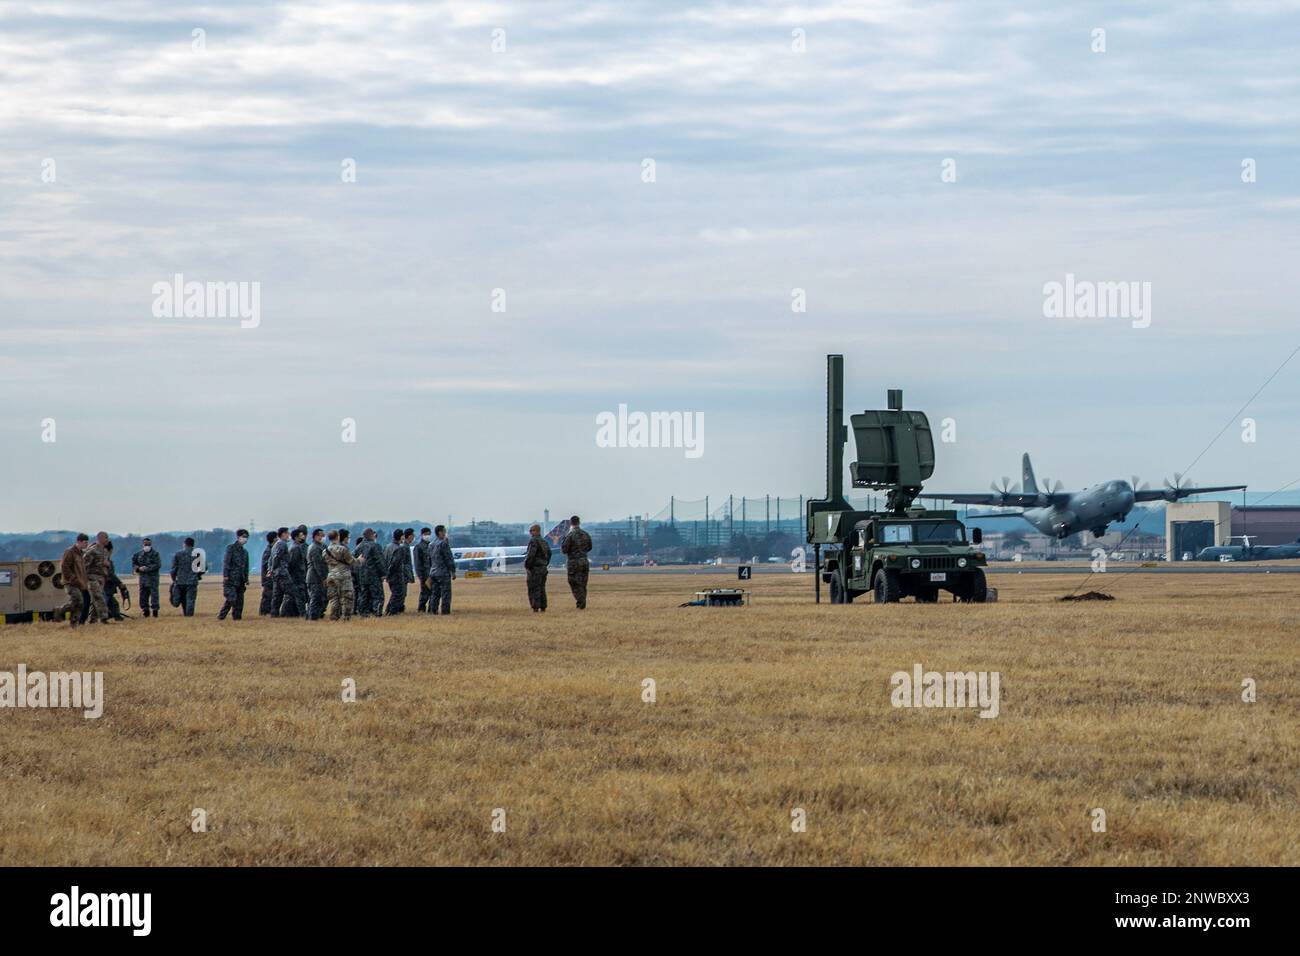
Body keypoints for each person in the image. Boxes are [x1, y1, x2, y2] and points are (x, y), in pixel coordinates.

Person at [560, 515, 593, 609]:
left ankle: (580, 601)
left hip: (573, 562)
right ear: (579, 522)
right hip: (584, 561)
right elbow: (590, 547)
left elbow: (564, 550)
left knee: (574, 582)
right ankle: (582, 601)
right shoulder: (586, 534)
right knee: (583, 583)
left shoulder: (570, 535)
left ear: (571, 523)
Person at [82, 531, 115, 624]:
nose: (107, 539)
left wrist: (107, 565)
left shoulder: (104, 551)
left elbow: (105, 563)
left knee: (96, 599)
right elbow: (84, 564)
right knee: (99, 598)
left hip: (101, 577)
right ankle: (104, 617)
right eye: (106, 537)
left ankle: (93, 619)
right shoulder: (92, 550)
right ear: (100, 538)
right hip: (92, 577)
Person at [324, 529, 356, 621]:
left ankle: (334, 617)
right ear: (337, 537)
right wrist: (359, 560)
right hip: (344, 576)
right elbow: (351, 561)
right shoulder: (342, 549)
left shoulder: (325, 551)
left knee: (334, 598)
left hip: (331, 576)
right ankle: (346, 618)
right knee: (347, 598)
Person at [219, 529, 251, 620]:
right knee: (231, 599)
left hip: (240, 580)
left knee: (239, 602)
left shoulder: (245, 552)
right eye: (243, 537)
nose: (245, 539)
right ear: (238, 537)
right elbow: (227, 562)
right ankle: (221, 616)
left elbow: (246, 567)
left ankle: (237, 618)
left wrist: (246, 578)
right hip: (231, 579)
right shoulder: (231, 548)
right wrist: (226, 575)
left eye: (246, 537)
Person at [60, 534, 90, 628]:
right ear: (79, 541)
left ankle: (74, 624)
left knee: (80, 604)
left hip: (80, 583)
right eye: (85, 542)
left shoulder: (81, 553)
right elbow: (64, 566)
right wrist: (73, 578)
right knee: (79, 601)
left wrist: (84, 583)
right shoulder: (70, 552)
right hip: (71, 583)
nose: (86, 544)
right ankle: (60, 610)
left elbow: (82, 570)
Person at [356, 528, 387, 617]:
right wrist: (383, 573)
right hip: (374, 575)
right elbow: (379, 560)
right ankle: (377, 612)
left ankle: (363, 612)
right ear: (371, 535)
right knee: (377, 595)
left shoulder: (359, 546)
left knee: (364, 595)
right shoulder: (375, 546)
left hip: (362, 575)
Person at [170, 536, 202, 617]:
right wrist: (198, 575)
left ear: (184, 544)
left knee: (183, 599)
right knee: (190, 600)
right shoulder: (198, 555)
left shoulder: (178, 554)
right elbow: (203, 568)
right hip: (192, 581)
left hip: (180, 580)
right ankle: (189, 616)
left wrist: (174, 579)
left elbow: (173, 569)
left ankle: (185, 612)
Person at [427, 524, 455, 615]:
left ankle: (433, 610)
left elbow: (429, 559)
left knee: (435, 593)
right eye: (444, 531)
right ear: (440, 532)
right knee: (446, 594)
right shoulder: (443, 543)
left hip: (433, 572)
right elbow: (448, 558)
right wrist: (453, 571)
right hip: (443, 572)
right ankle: (445, 611)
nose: (445, 533)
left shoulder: (431, 544)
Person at [524, 523, 552, 612]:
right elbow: (549, 553)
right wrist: (545, 563)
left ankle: (535, 607)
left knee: (533, 588)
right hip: (543, 568)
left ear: (536, 531)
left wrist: (527, 565)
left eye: (531, 531)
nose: (530, 533)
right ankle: (543, 606)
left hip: (535, 569)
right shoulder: (544, 541)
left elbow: (531, 555)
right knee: (542, 588)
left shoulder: (534, 541)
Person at [131, 537, 162, 618]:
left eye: (148, 544)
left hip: (153, 579)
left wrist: (147, 568)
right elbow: (134, 563)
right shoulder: (138, 554)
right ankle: (145, 610)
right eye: (145, 544)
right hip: (143, 579)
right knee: (143, 595)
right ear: (143, 544)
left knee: (154, 595)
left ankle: (155, 611)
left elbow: (158, 565)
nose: (147, 546)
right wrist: (138, 568)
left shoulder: (155, 554)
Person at [283, 525, 309, 618]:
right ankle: (302, 614)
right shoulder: (295, 548)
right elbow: (292, 564)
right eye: (301, 535)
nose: (303, 537)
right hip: (297, 577)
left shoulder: (296, 547)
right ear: (296, 537)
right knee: (299, 596)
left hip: (299, 576)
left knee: (297, 596)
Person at [384, 529, 409, 615]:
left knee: (394, 593)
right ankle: (392, 612)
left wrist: (386, 574)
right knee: (398, 594)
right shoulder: (399, 549)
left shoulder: (388, 546)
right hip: (396, 575)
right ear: (401, 537)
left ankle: (388, 610)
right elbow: (395, 563)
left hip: (389, 574)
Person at [102, 542, 129, 620]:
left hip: (108, 586)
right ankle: (104, 617)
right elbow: (110, 574)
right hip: (105, 586)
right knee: (105, 602)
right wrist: (119, 583)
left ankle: (116, 616)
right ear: (110, 550)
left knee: (113, 603)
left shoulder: (106, 560)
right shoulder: (105, 561)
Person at [306, 528, 328, 620]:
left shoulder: (321, 546)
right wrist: (324, 578)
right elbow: (318, 565)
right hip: (314, 578)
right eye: (321, 535)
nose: (323, 537)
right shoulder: (315, 548)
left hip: (317, 577)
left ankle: (314, 615)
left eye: (323, 535)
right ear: (315, 536)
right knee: (315, 598)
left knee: (319, 598)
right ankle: (313, 618)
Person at [269, 527, 291, 617]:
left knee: (277, 595)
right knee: (290, 593)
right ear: (283, 534)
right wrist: (273, 568)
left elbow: (271, 559)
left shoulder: (275, 545)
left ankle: (274, 614)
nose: (288, 535)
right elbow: (276, 558)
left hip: (276, 573)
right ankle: (284, 613)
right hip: (282, 572)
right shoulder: (282, 544)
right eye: (287, 533)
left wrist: (271, 569)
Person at [258, 530, 277, 615]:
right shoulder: (268, 551)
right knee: (267, 596)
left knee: (272, 595)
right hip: (268, 578)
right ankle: (264, 612)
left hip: (271, 578)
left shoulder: (273, 549)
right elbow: (266, 565)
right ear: (274, 539)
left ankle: (268, 611)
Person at [415, 527, 433, 612]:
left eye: (429, 534)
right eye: (426, 534)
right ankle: (421, 609)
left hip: (432, 573)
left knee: (433, 593)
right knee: (424, 593)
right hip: (424, 574)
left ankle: (431, 609)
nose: (428, 536)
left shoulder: (431, 545)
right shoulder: (418, 547)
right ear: (422, 535)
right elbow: (417, 563)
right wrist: (420, 575)